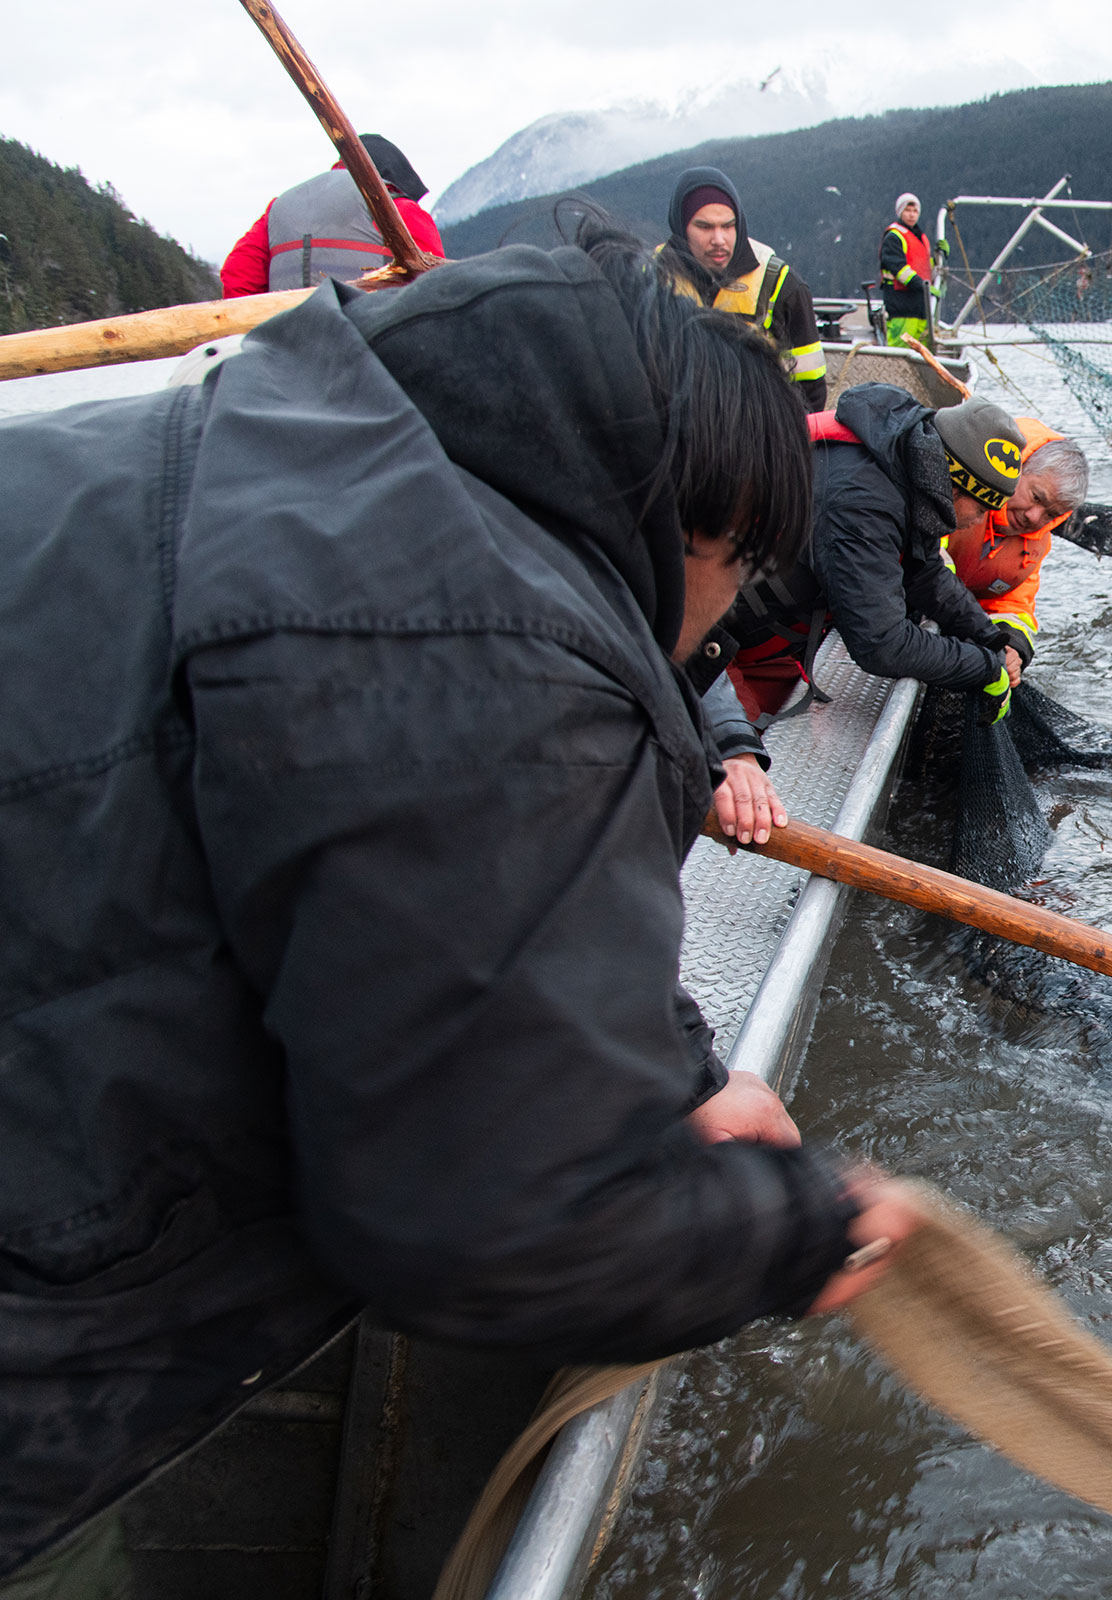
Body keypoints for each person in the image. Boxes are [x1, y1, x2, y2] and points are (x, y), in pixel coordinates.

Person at [0, 221, 923, 1585]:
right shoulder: (492, 650)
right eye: (733, 588)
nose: (716, 635)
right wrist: (800, 1225)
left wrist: (667, 1066)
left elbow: (447, 904)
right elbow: (493, 1215)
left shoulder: (302, 440)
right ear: (699, 528)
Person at [696, 389, 1030, 769]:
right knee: (731, 764)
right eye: (983, 505)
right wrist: (982, 668)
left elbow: (924, 572)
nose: (981, 520)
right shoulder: (860, 499)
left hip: (762, 627)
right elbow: (881, 644)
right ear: (954, 484)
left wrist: (990, 640)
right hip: (706, 635)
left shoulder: (911, 465)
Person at [659, 165, 829, 411]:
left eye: (728, 226)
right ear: (681, 227)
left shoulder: (780, 285)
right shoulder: (653, 276)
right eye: (704, 227)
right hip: (678, 435)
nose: (719, 240)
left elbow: (810, 388)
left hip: (757, 435)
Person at [219, 133, 447, 296]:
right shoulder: (399, 208)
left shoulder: (279, 208)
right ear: (390, 178)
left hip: (284, 346)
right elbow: (436, 288)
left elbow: (237, 278)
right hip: (368, 346)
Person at [944, 417, 1090, 662]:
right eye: (1036, 497)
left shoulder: (1034, 548)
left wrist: (1012, 647)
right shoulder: (958, 490)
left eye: (1051, 514)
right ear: (1017, 467)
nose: (1034, 517)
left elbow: (1015, 607)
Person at [879, 193, 939, 350]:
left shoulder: (920, 237)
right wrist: (923, 285)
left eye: (915, 211)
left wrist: (941, 256)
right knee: (901, 354)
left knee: (922, 353)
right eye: (907, 210)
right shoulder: (894, 237)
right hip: (902, 307)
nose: (912, 214)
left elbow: (926, 266)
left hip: (921, 307)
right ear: (900, 212)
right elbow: (899, 269)